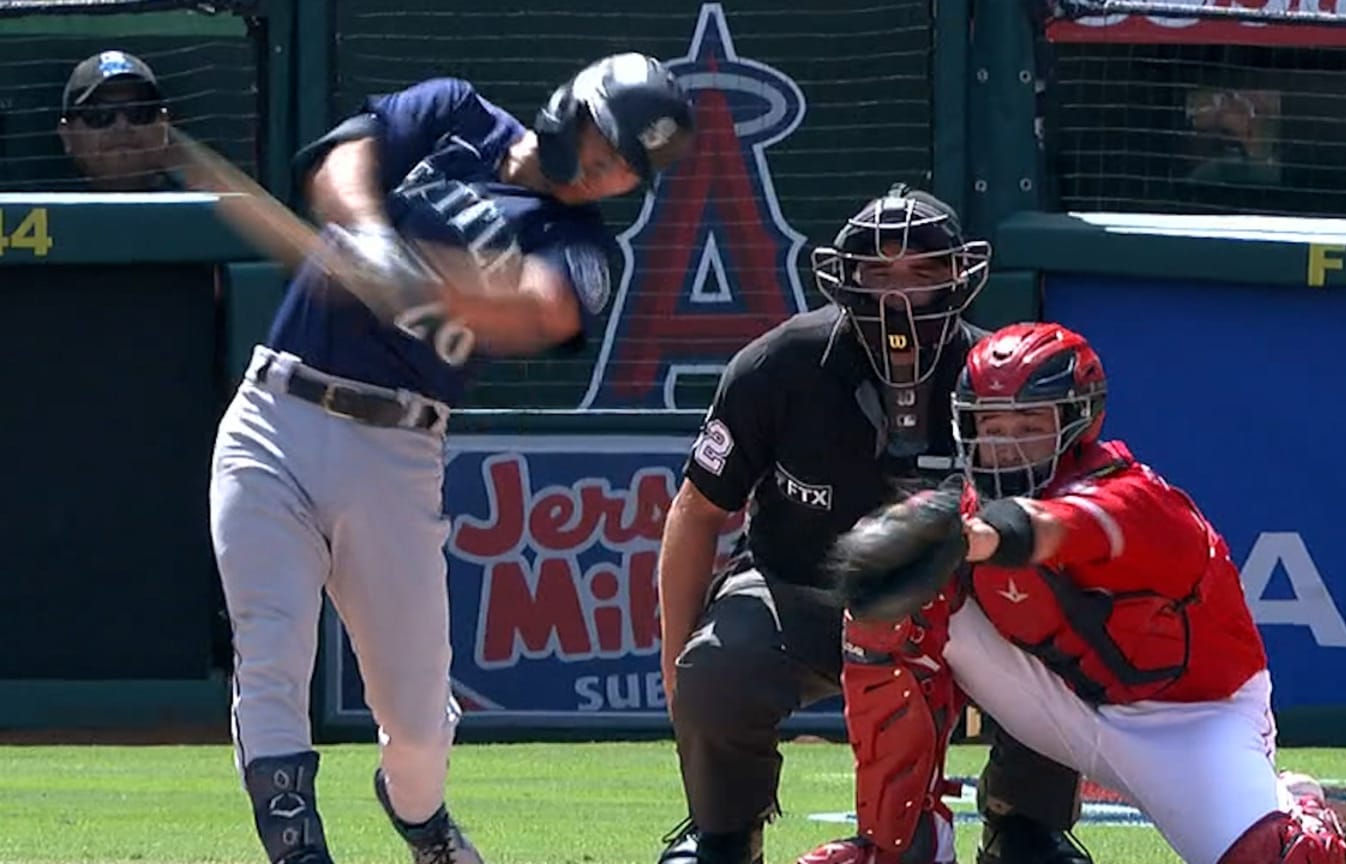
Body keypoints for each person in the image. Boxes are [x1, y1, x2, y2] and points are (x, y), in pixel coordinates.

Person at [204, 55, 694, 864]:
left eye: (624, 173)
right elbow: (339, 166)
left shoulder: (583, 245)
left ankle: (418, 813)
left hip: (394, 451)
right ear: (570, 109)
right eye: (603, 149)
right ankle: (297, 848)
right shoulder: (455, 113)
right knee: (271, 644)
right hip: (274, 415)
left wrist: (424, 281)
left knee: (418, 714)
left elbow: (539, 309)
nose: (604, 177)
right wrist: (366, 233)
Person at [796, 322, 1346, 864]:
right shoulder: (964, 513)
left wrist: (977, 536)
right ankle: (902, 844)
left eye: (1029, 425)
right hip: (1055, 701)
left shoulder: (1138, 500)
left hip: (1189, 721)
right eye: (992, 427)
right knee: (893, 600)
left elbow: (1057, 526)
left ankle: (1300, 803)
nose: (1007, 447)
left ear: (1076, 422)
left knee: (1293, 858)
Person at [657, 185, 1091, 864]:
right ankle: (723, 831)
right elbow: (697, 510)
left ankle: (1024, 824)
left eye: (923, 272)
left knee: (1061, 637)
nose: (900, 294)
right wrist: (674, 656)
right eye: (878, 272)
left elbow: (1057, 520)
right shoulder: (778, 364)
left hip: (961, 605)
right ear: (843, 278)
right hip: (800, 589)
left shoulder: (1002, 378)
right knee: (716, 665)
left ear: (961, 275)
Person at [57, 50, 180, 192]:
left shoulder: (203, 208)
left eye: (138, 112)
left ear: (164, 124)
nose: (122, 126)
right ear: (67, 135)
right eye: (100, 114)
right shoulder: (40, 207)